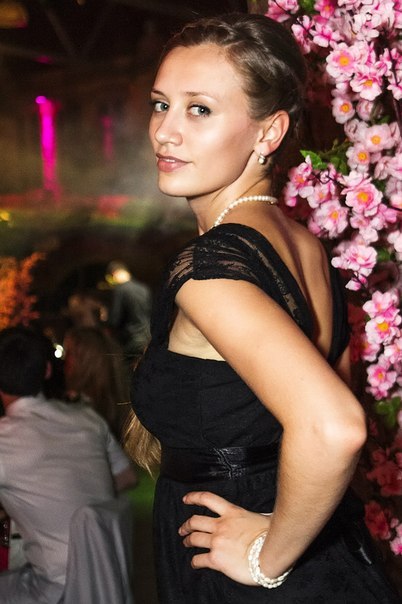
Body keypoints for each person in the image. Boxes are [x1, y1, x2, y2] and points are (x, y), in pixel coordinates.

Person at [126, 13, 400, 604]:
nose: (165, 132)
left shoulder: (210, 269)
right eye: (160, 105)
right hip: (326, 549)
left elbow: (336, 426)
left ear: (269, 132)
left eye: (199, 109)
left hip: (244, 563)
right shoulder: (302, 244)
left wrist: (265, 558)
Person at [0, 326, 137, 603]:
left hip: (57, 590)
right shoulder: (88, 418)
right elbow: (126, 478)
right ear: (47, 371)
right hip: (107, 578)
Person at [63, 325, 133, 441]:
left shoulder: (80, 413)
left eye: (69, 353)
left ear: (85, 363)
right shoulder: (124, 406)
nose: (64, 360)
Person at [105, 261, 152, 364]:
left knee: (126, 369)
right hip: (147, 337)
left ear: (114, 274)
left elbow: (115, 319)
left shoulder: (120, 290)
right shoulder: (143, 288)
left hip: (130, 340)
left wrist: (106, 319)